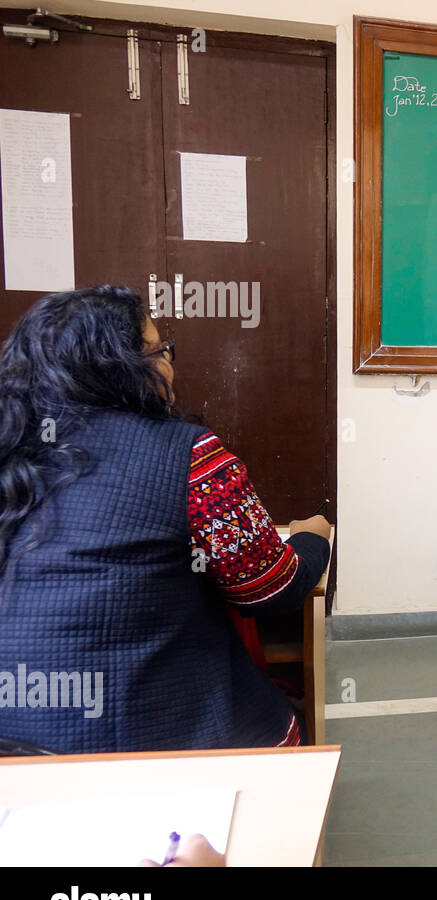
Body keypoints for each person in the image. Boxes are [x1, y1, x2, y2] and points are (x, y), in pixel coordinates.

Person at [0, 286, 330, 752]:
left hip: (18, 747)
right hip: (159, 739)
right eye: (159, 349)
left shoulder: (13, 449)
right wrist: (312, 539)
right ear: (124, 366)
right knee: (272, 715)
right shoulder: (189, 454)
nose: (168, 362)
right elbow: (270, 589)